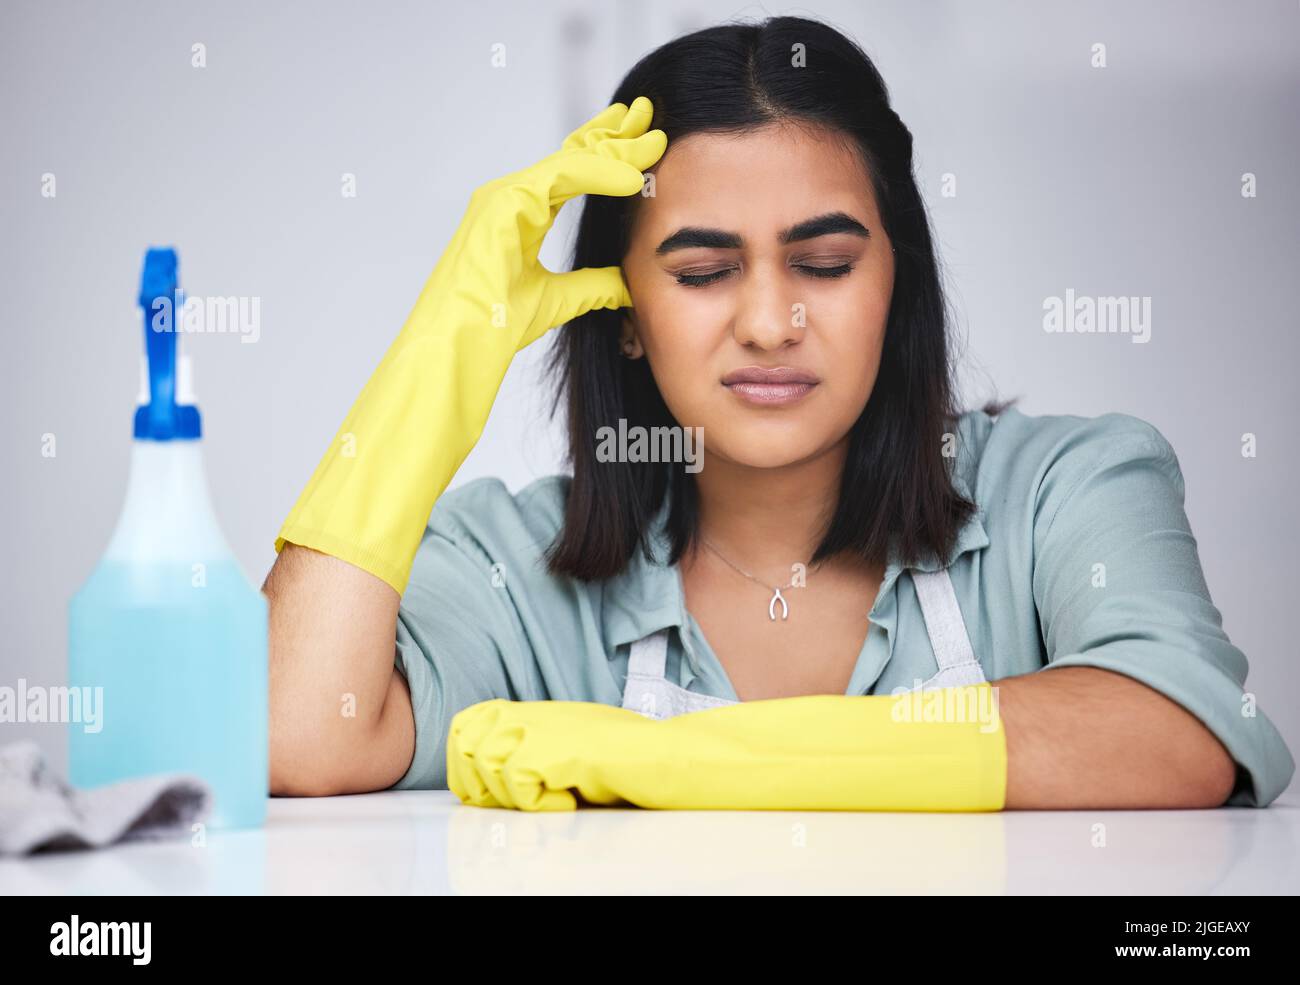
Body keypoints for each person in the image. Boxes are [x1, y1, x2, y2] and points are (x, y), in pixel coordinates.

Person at [261, 16, 1293, 810]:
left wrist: (674, 763)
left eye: (825, 262)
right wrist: (440, 351)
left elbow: (1179, 731)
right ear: (622, 310)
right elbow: (295, 733)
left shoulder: (1071, 488)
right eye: (703, 270)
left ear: (898, 282)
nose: (768, 320)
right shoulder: (511, 564)